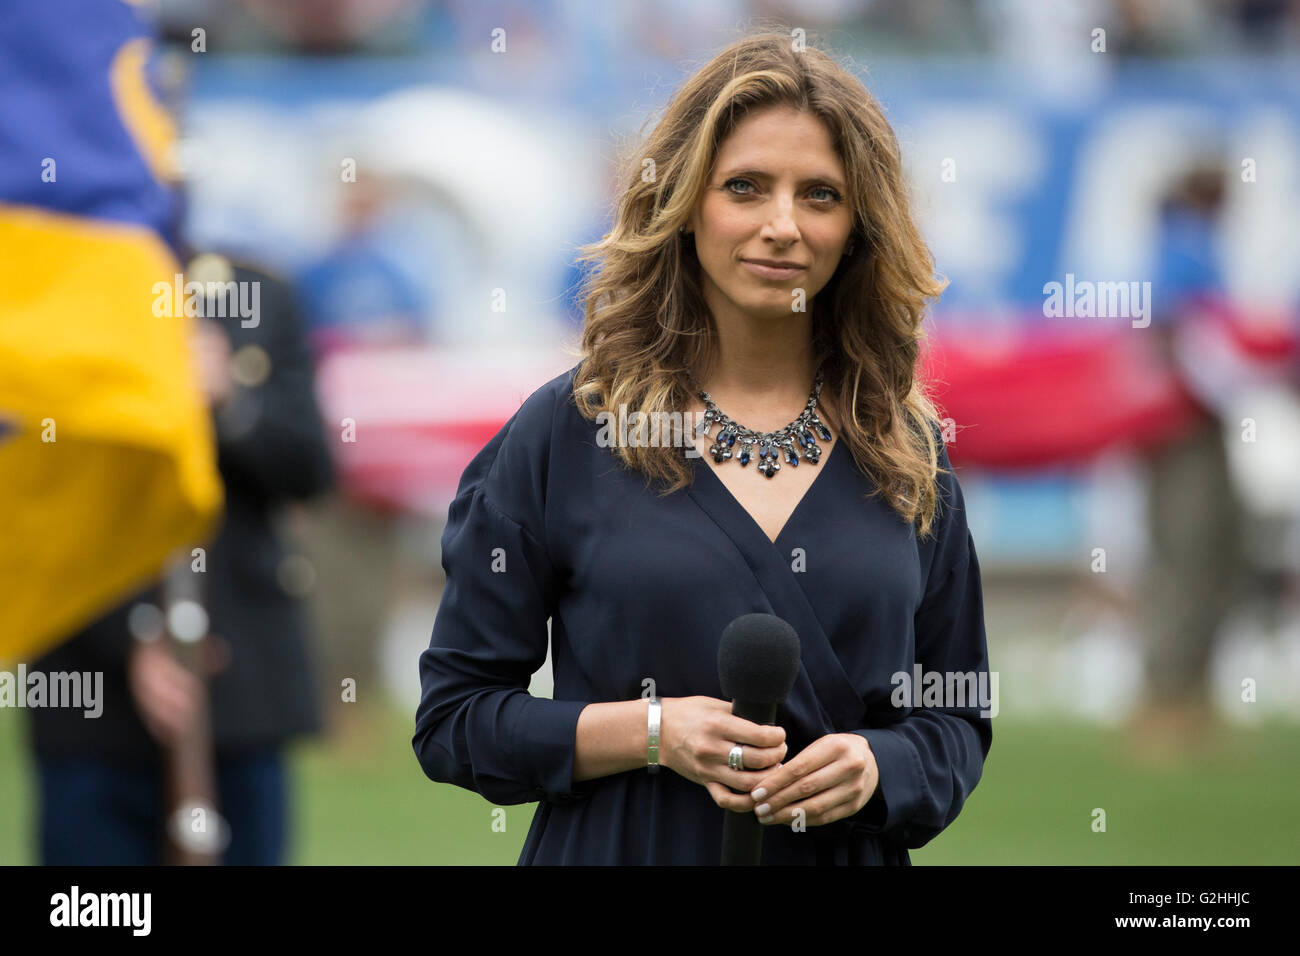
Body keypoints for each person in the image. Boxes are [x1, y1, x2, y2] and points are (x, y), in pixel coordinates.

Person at [412, 32, 992, 865]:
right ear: (684, 203)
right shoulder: (567, 433)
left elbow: (957, 715)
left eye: (821, 195)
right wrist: (650, 732)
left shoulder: (905, 453)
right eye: (745, 187)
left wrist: (881, 765)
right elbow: (455, 720)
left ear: (861, 226)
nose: (782, 225)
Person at [28, 257, 334, 865]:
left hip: (237, 682)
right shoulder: (45, 292)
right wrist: (135, 632)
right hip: (91, 684)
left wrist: (229, 402)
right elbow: (42, 490)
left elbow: (309, 468)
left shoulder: (252, 293)